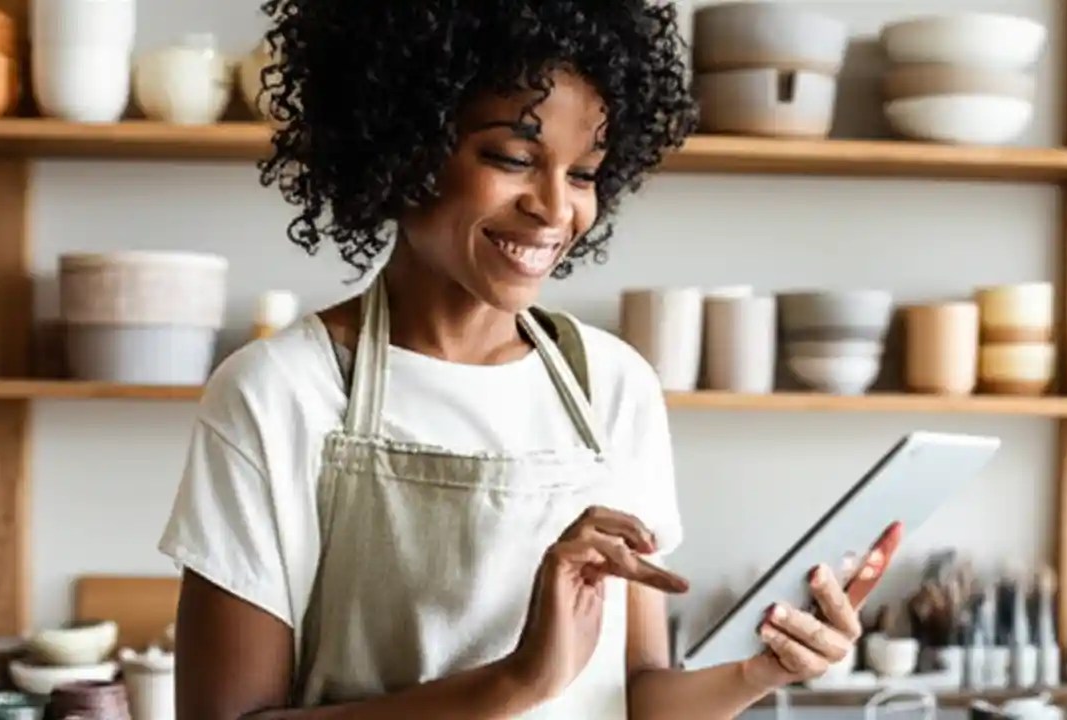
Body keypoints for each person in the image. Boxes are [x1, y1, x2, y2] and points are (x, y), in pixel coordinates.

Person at [158, 2, 893, 718]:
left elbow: (639, 700)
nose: (554, 208)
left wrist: (759, 672)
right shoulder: (278, 394)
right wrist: (515, 683)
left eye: (583, 174)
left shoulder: (611, 386)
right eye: (513, 158)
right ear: (401, 146)